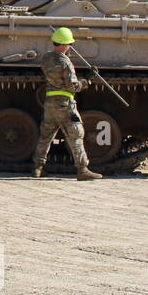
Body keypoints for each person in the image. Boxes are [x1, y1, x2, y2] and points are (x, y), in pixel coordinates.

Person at [31, 27, 103, 181]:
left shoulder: (46, 58)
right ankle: (82, 169)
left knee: (46, 135)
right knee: (76, 134)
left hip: (50, 102)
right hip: (64, 103)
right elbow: (73, 86)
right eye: (69, 44)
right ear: (64, 45)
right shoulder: (65, 63)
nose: (70, 47)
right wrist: (87, 80)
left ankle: (37, 167)